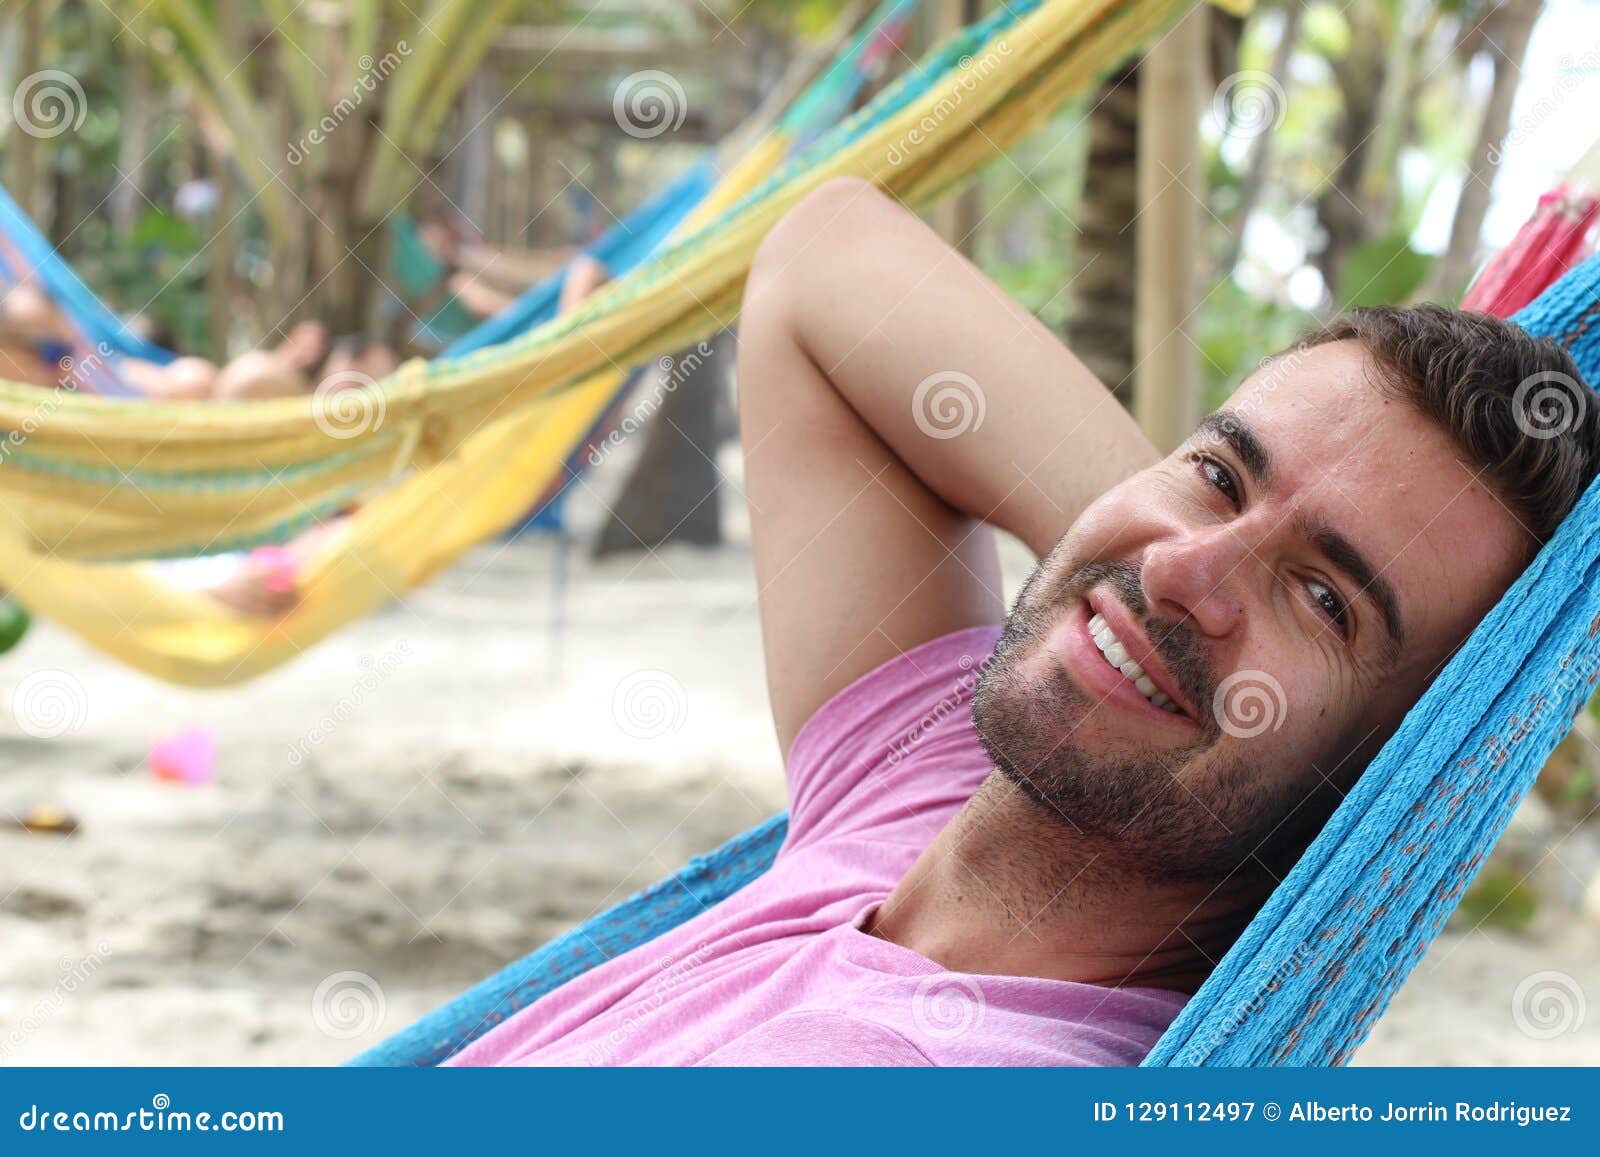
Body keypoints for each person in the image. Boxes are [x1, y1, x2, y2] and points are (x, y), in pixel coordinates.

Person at [445, 178, 1600, 1067]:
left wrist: (1149, 613)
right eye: (1214, 473)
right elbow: (824, 259)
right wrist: (1141, 601)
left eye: (1323, 598)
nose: (1190, 566)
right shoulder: (915, 790)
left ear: (1393, 783)